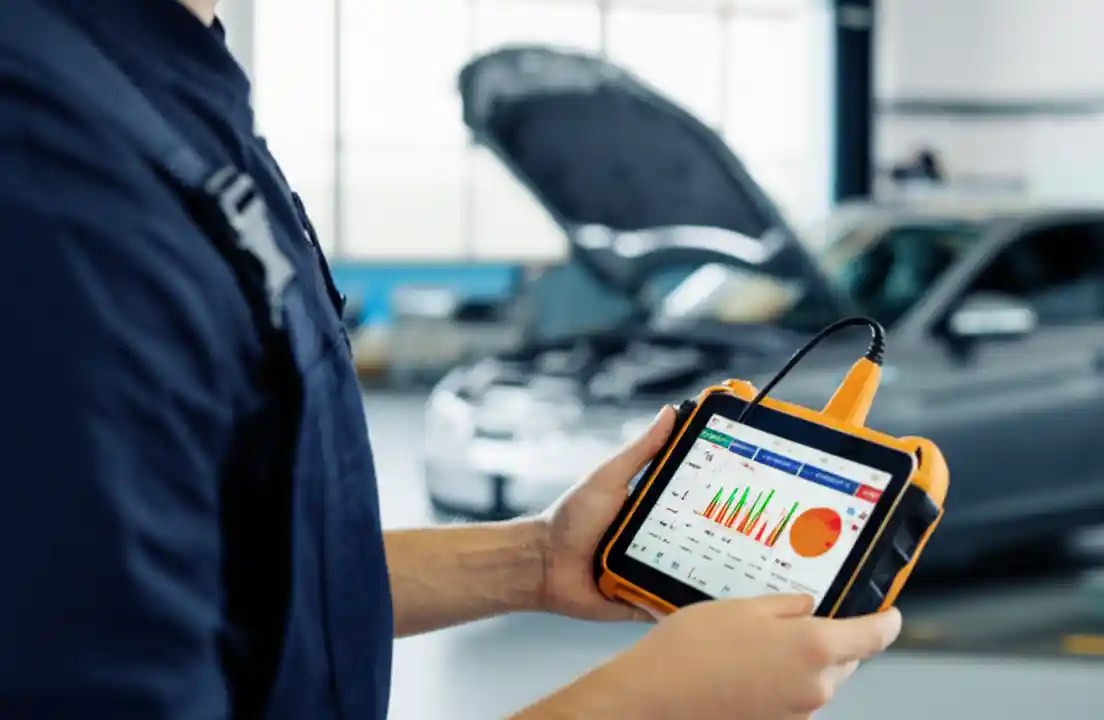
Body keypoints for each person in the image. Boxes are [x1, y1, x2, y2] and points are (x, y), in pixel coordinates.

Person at [0, 1, 902, 717]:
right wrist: (648, 709)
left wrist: (534, 559)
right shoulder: (56, 169)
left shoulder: (172, 90)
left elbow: (235, 571)